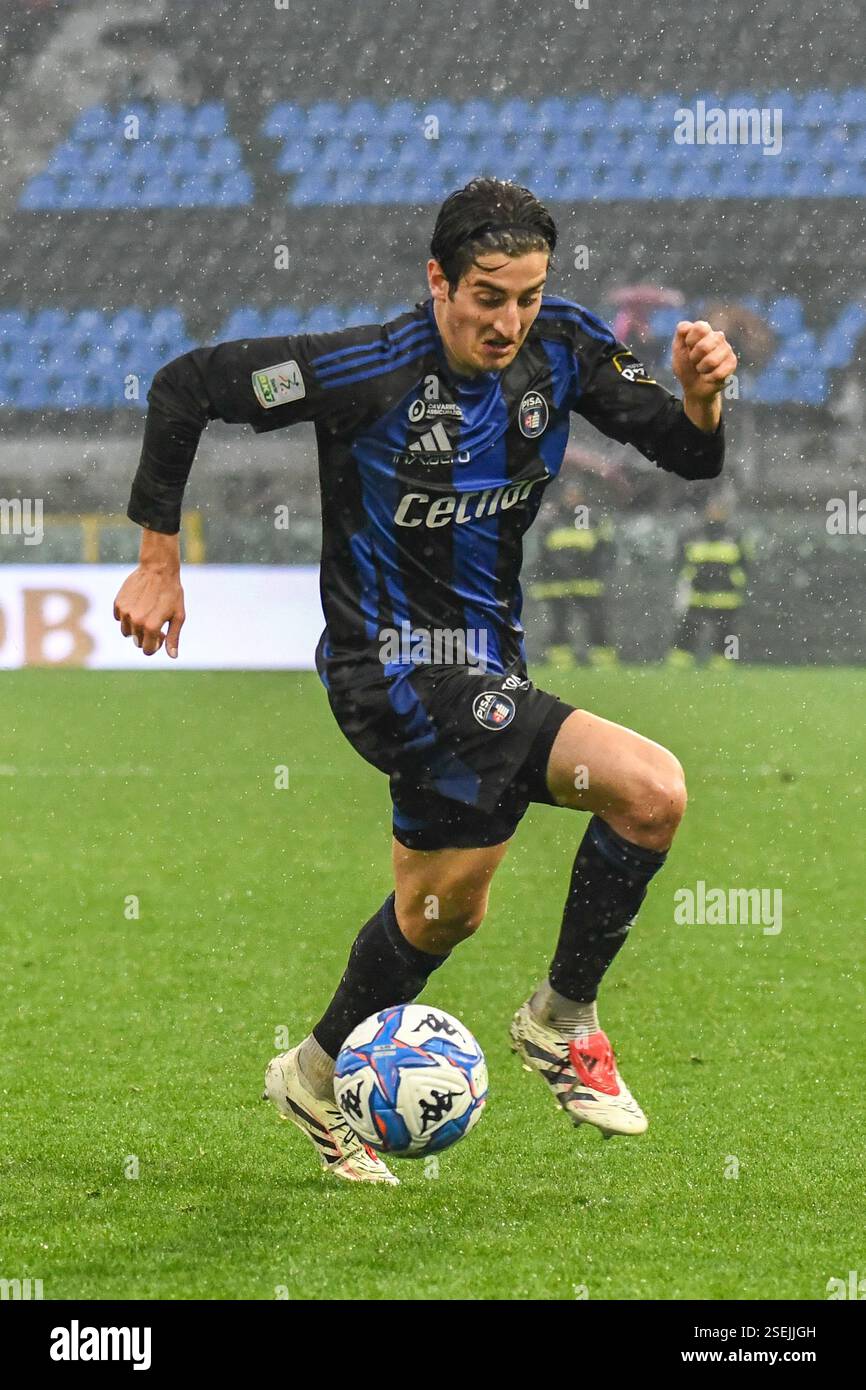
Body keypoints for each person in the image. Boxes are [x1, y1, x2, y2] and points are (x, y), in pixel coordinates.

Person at [113, 177, 736, 1184]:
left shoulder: (563, 349)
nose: (508, 319)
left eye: (526, 295)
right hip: (389, 671)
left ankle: (314, 1077)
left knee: (443, 911)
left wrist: (702, 398)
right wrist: (157, 557)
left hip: (488, 667)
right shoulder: (363, 369)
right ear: (437, 280)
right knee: (648, 788)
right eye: (487, 295)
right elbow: (186, 386)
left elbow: (686, 455)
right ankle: (559, 1019)